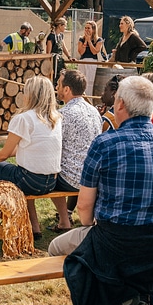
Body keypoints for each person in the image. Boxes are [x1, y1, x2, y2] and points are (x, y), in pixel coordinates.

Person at [49, 76, 153, 305]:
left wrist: (91, 226)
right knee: (100, 244)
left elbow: (85, 209)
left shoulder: (105, 143)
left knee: (56, 247)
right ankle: (125, 299)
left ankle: (105, 304)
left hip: (115, 246)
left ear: (120, 104)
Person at [0, 76, 62, 237]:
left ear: (31, 95)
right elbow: (30, 147)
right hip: (51, 181)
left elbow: (4, 155)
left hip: (29, 181)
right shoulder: (55, 118)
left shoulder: (23, 118)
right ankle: (33, 228)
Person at [51, 69, 102, 232]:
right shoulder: (94, 111)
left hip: (70, 179)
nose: (56, 88)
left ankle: (63, 220)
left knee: (44, 173)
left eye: (59, 85)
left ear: (67, 89)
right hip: (93, 177)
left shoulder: (63, 114)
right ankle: (66, 217)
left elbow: (54, 148)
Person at [76, 20, 105, 95]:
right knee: (81, 81)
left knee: (90, 81)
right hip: (83, 62)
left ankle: (89, 98)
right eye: (85, 28)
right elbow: (81, 52)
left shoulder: (99, 40)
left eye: (88, 28)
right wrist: (85, 41)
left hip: (92, 63)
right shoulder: (81, 39)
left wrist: (89, 42)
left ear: (93, 29)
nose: (86, 30)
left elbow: (95, 51)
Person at [45, 17, 68, 83]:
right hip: (54, 61)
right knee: (54, 78)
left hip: (60, 60)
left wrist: (69, 57)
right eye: (64, 26)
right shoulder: (51, 36)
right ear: (60, 25)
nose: (65, 28)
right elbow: (48, 52)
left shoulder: (61, 36)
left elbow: (63, 47)